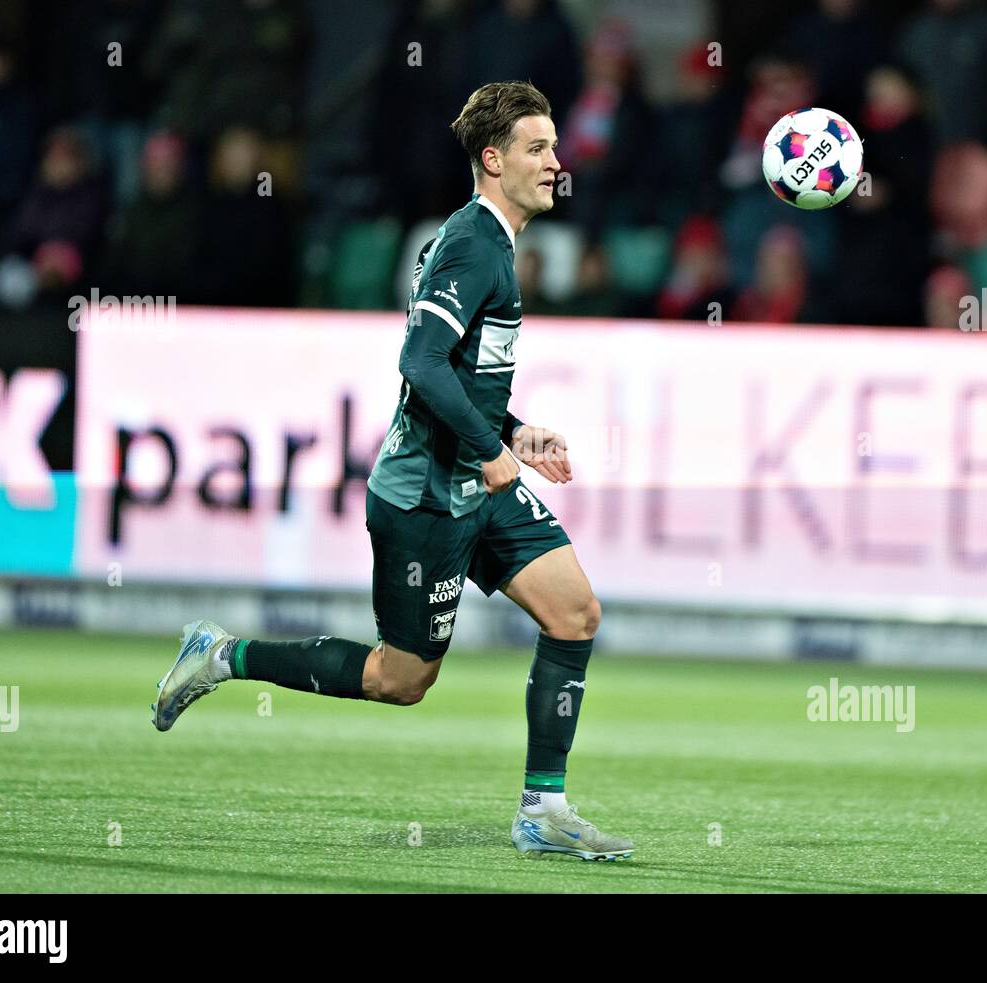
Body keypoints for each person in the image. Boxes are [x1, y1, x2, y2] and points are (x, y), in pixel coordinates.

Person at [151, 81, 632, 862]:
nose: (555, 163)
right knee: (400, 679)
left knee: (575, 613)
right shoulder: (476, 244)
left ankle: (544, 809)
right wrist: (489, 449)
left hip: (476, 479)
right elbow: (418, 361)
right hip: (426, 497)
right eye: (537, 149)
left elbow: (454, 376)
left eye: (552, 147)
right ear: (492, 159)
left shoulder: (486, 243)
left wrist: (513, 431)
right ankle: (223, 653)